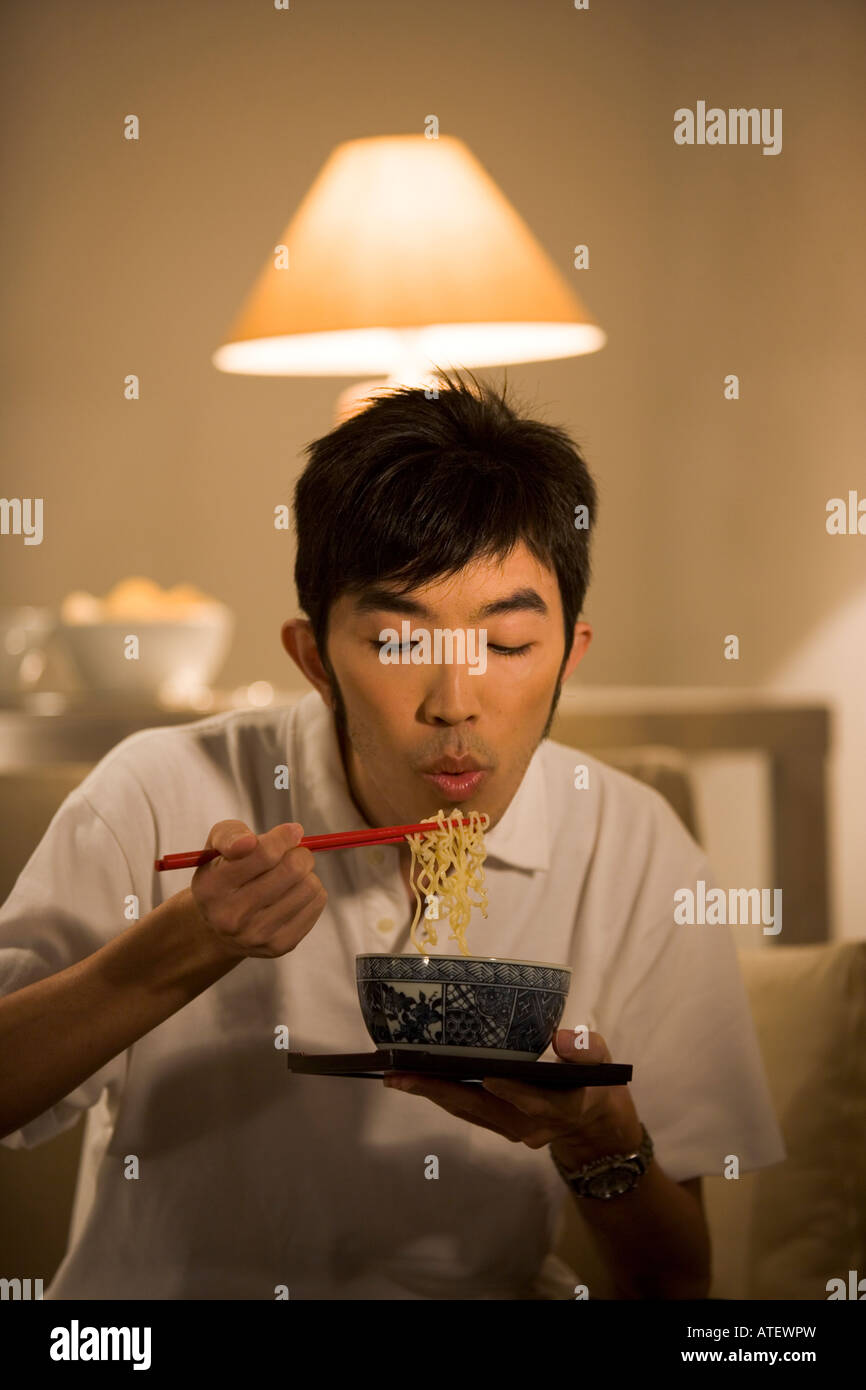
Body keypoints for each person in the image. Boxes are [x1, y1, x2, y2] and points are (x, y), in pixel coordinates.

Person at [0, 369, 785, 1300]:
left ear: (569, 653)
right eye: (400, 642)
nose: (456, 706)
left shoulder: (635, 844)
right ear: (313, 658)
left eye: (506, 645)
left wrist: (599, 1139)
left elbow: (680, 1289)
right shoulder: (158, 787)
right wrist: (178, 948)